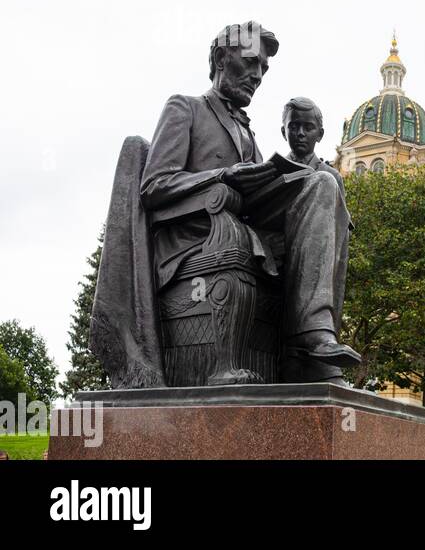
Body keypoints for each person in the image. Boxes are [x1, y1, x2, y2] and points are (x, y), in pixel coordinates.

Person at [139, 22, 360, 380]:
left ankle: (310, 342)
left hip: (246, 223)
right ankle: (292, 349)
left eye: (263, 69)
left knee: (323, 184)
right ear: (220, 58)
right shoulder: (185, 108)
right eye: (251, 62)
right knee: (317, 186)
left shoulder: (247, 131)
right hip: (195, 238)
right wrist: (223, 176)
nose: (258, 76)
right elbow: (154, 186)